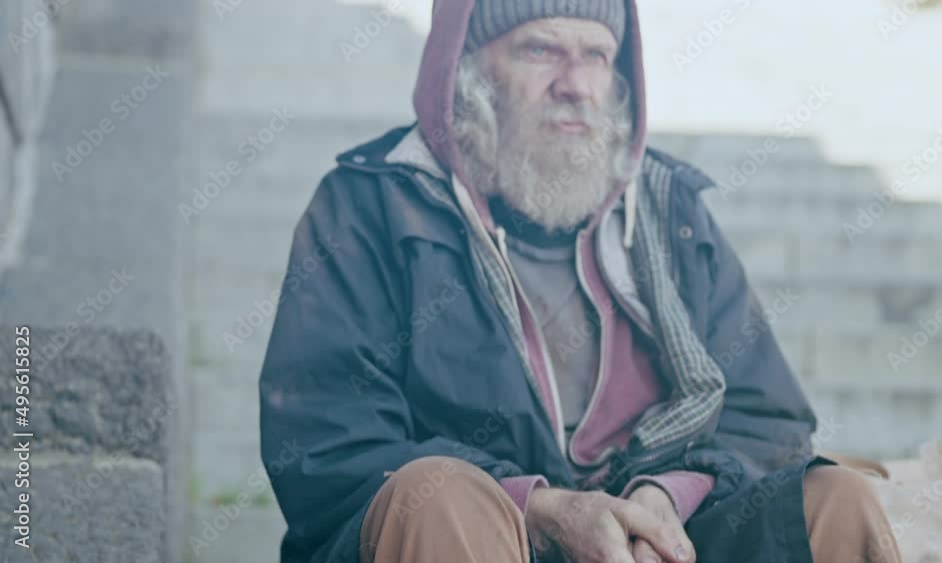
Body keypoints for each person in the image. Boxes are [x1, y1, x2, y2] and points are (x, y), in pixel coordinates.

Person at [259, 1, 903, 562]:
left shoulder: (670, 211)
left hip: (659, 538)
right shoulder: (370, 207)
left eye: (596, 55)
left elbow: (770, 422)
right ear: (467, 69)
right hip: (473, 534)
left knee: (834, 501)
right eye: (539, 50)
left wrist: (662, 501)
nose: (575, 84)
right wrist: (540, 510)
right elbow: (326, 443)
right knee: (443, 494)